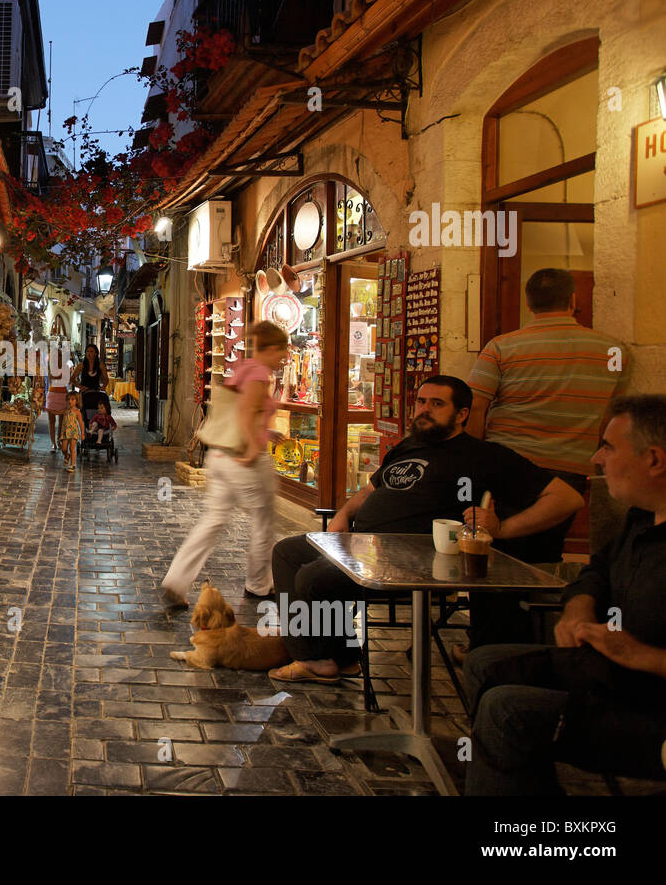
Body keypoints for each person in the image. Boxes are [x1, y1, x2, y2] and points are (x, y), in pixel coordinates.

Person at [267, 375, 584, 683]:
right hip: (365, 544)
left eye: (436, 403)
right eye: (420, 402)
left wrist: (501, 529)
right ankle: (330, 658)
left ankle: (326, 658)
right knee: (288, 552)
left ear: (461, 414)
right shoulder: (408, 447)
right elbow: (371, 490)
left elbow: (567, 498)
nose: (424, 409)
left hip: (416, 559)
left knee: (315, 576)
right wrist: (344, 514)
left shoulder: (485, 457)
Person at [464, 395, 666, 795]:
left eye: (608, 446)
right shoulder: (641, 517)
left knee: (506, 710)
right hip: (607, 671)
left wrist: (641, 655)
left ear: (654, 460)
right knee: (483, 662)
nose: (596, 459)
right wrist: (578, 608)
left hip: (649, 705)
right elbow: (596, 572)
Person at [464, 267, 624, 650]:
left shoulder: (502, 347)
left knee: (493, 558)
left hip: (510, 466)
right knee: (543, 559)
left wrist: (476, 462)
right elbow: (612, 412)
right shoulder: (612, 351)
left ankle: (488, 645)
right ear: (573, 301)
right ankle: (529, 639)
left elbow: (476, 409)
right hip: (570, 471)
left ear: (528, 302)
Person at [161, 321, 290, 607]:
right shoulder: (259, 373)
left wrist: (266, 433)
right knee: (263, 522)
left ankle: (176, 580)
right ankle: (258, 583)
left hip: (219, 455)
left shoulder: (243, 368)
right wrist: (253, 449)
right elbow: (246, 413)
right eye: (281, 349)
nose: (284, 356)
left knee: (213, 521)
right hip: (242, 459)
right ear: (268, 348)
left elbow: (239, 413)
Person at [71, 342, 111, 419]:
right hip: (84, 392)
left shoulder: (100, 365)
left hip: (96, 391)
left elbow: (106, 379)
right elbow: (72, 379)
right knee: (84, 411)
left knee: (101, 407)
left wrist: (104, 386)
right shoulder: (81, 365)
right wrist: (80, 386)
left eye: (91, 351)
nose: (89, 353)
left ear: (96, 353)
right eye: (87, 351)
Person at [61, 391, 84, 470]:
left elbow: (81, 423)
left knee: (72, 448)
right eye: (68, 399)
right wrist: (47, 409)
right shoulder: (65, 410)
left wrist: (83, 433)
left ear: (77, 401)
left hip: (74, 432)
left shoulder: (77, 412)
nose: (70, 401)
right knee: (63, 449)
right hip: (65, 432)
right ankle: (67, 456)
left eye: (72, 399)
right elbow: (56, 412)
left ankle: (73, 465)